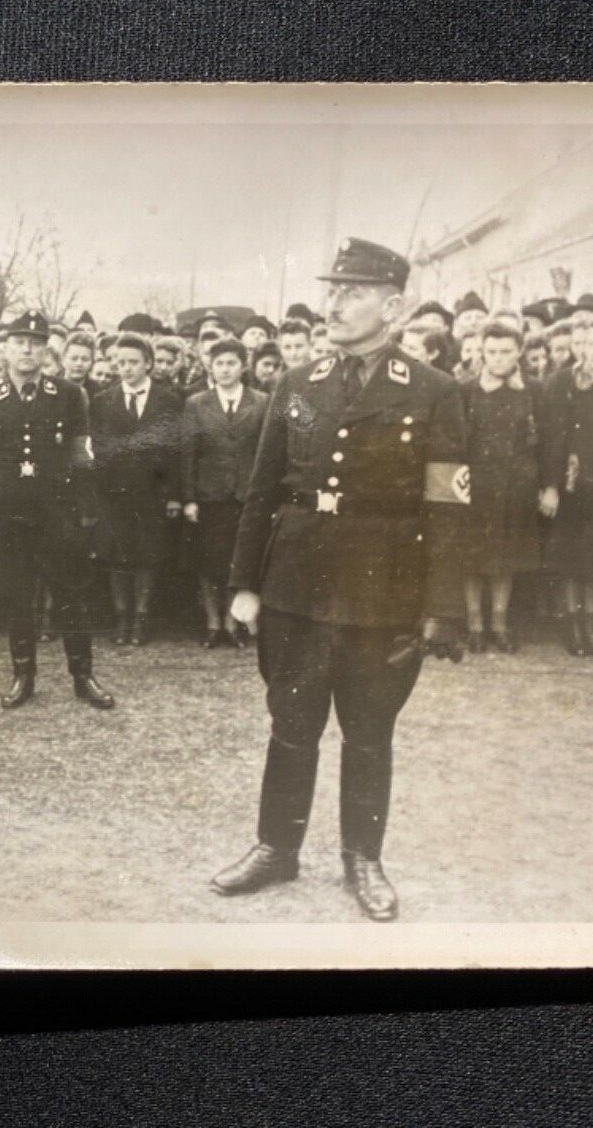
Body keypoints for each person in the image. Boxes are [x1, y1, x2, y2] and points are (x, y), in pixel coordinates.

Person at [215, 237, 469, 922]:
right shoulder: (298, 384)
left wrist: (442, 607)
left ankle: (364, 860)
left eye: (351, 293)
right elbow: (262, 492)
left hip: (383, 592)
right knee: (291, 724)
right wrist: (245, 582)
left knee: (369, 731)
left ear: (392, 305)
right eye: (331, 291)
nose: (333, 304)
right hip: (296, 586)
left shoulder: (435, 391)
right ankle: (276, 848)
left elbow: (448, 510)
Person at [0, 312, 116, 711]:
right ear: (5, 349)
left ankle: (83, 676)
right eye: (19, 343)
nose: (27, 350)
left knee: (71, 595)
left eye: (35, 343)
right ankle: (22, 676)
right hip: (9, 513)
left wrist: (85, 512)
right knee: (18, 596)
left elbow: (81, 455)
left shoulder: (68, 394)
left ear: (47, 350)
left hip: (58, 513)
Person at [93, 330, 184, 646]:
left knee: (147, 555)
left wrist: (173, 495)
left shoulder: (168, 401)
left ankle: (141, 619)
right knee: (117, 556)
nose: (126, 368)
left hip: (152, 493)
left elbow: (176, 451)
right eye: (121, 363)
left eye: (133, 362)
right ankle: (122, 618)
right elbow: (96, 451)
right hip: (114, 493)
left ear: (148, 363)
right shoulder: (102, 401)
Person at [458, 320, 544, 653]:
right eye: (491, 352)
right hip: (476, 487)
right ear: (482, 352)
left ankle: (499, 623)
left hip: (515, 488)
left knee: (505, 558)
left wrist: (540, 483)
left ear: (519, 351)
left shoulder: (533, 390)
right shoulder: (466, 390)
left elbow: (544, 440)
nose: (498, 358)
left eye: (506, 352)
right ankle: (474, 625)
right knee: (472, 558)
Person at [180, 337, 267, 648]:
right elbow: (188, 453)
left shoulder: (262, 402)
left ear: (243, 366)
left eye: (232, 363)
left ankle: (233, 623)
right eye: (219, 363)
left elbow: (266, 452)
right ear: (210, 367)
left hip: (245, 496)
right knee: (208, 563)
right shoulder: (196, 403)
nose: (225, 369)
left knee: (237, 562)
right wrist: (189, 498)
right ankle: (212, 623)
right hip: (210, 496)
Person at [539, 311, 593, 656]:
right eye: (590, 344)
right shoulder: (562, 382)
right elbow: (552, 439)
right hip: (571, 483)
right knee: (570, 558)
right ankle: (574, 626)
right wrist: (550, 486)